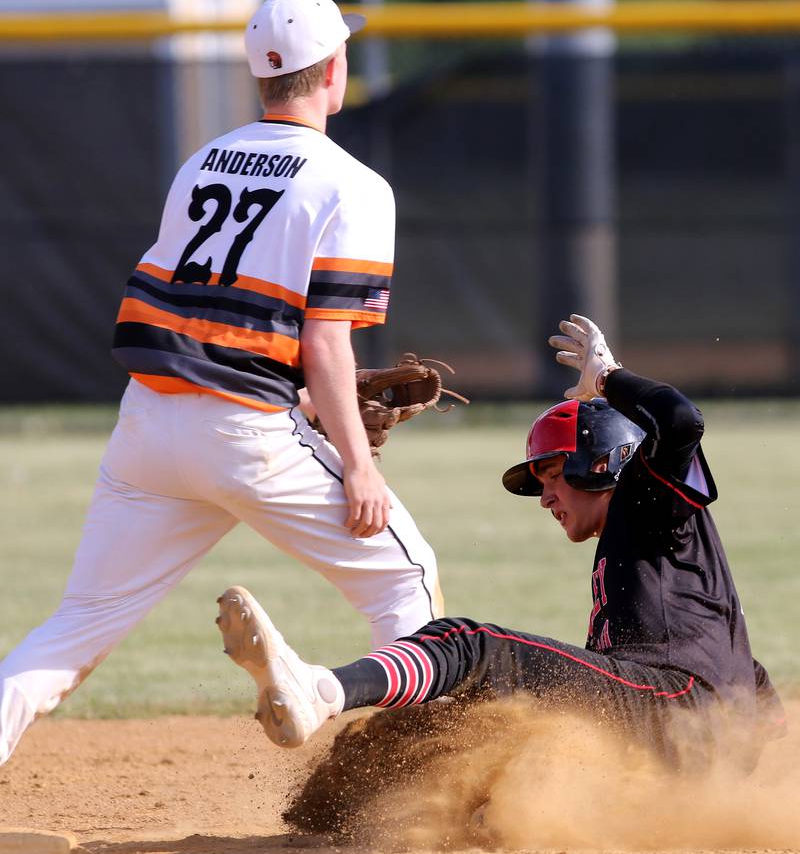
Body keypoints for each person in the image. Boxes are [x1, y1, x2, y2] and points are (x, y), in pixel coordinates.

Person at [0, 0, 442, 767]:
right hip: (248, 434)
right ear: (335, 69)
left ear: (262, 75)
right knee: (407, 583)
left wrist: (303, 398)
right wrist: (359, 464)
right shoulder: (355, 185)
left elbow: (216, 326)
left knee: (73, 628)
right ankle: (406, 771)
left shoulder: (203, 161)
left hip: (147, 429)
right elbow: (325, 342)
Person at [217, 314, 785, 769]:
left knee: (468, 645)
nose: (545, 498)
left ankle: (322, 690)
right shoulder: (663, 556)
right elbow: (751, 678)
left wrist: (608, 379)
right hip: (692, 739)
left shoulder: (646, 495)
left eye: (553, 474)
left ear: (602, 460)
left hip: (668, 705)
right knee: (498, 717)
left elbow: (681, 421)